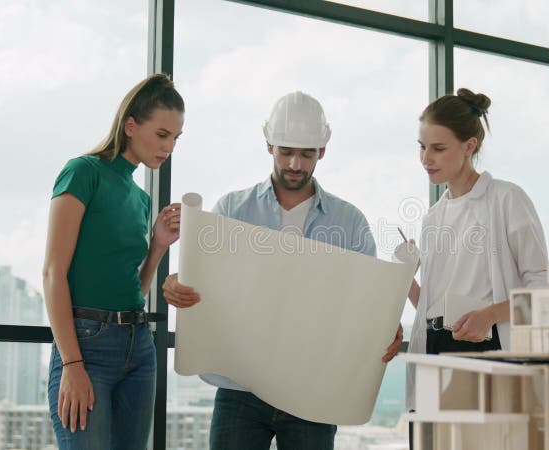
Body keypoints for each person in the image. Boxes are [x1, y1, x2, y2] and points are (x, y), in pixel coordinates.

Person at [162, 91, 403, 450]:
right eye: (285, 152)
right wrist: (174, 284)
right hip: (239, 387)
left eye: (306, 155)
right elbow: (205, 281)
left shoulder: (349, 222)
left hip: (313, 392)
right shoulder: (232, 209)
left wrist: (385, 326)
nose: (294, 164)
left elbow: (365, 301)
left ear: (322, 151)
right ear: (269, 145)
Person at [43, 73, 184, 449]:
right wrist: (72, 365)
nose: (168, 146)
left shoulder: (140, 199)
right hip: (86, 346)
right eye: (161, 135)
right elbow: (53, 272)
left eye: (175, 138)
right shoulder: (83, 172)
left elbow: (129, 290)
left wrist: (157, 247)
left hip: (138, 347)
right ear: (131, 126)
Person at [405, 88, 548, 446]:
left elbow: (543, 284)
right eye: (422, 147)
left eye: (438, 148)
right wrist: (405, 279)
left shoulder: (506, 199)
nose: (426, 159)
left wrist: (490, 314)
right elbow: (429, 308)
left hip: (489, 348)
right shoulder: (433, 219)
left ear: (469, 146)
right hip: (437, 350)